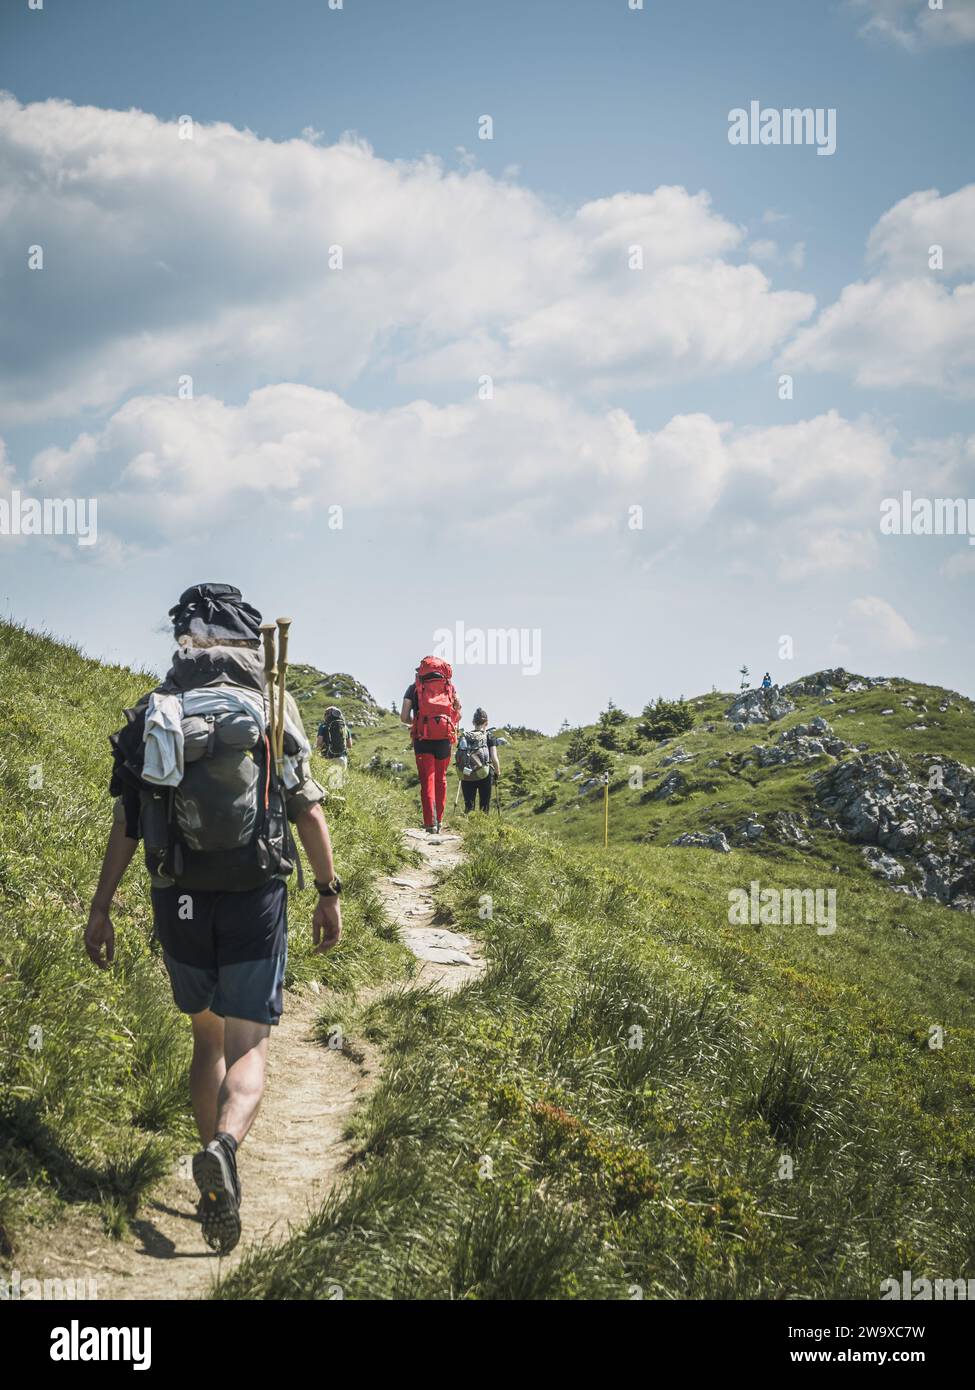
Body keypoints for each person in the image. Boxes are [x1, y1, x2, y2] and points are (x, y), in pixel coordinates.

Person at [84, 583, 343, 1257]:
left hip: (180, 896)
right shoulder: (272, 705)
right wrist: (327, 891)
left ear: (185, 639)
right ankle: (227, 1149)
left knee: (206, 1041)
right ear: (248, 641)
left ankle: (208, 1172)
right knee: (248, 1045)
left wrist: (101, 906)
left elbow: (128, 823)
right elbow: (308, 811)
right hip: (254, 891)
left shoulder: (157, 710)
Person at [400, 655, 461, 833]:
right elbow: (458, 713)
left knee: (428, 780)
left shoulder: (413, 688)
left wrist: (416, 723)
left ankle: (430, 823)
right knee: (441, 779)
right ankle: (440, 821)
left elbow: (404, 716)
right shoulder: (449, 687)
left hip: (422, 738)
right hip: (444, 738)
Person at [457, 708, 501, 814]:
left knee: (469, 806)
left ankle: (466, 826)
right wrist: (497, 772)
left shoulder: (466, 737)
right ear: (486, 723)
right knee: (484, 806)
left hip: (467, 773)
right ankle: (482, 826)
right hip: (484, 773)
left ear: (473, 722)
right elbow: (494, 758)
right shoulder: (489, 737)